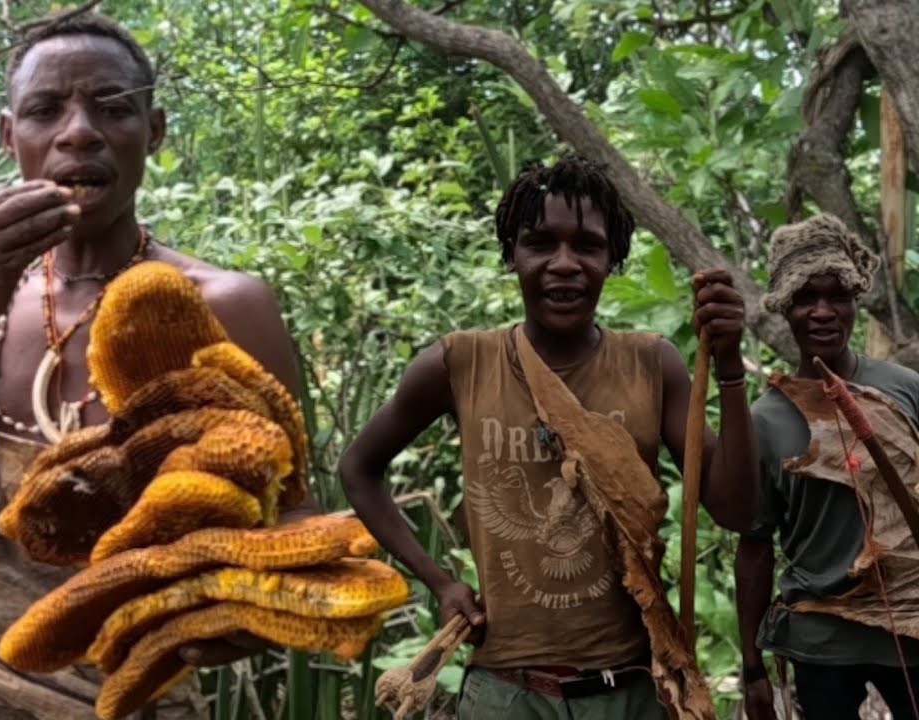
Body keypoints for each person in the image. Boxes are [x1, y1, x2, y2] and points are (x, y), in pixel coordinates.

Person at [0, 10, 311, 720]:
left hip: (136, 703)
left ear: (153, 131)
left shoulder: (224, 308)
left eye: (112, 108)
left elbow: (292, 521)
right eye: (45, 110)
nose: (78, 132)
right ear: (12, 137)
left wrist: (239, 612)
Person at [339, 156, 757, 719]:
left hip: (629, 692)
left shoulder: (651, 364)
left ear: (614, 258)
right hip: (506, 692)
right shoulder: (461, 362)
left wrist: (730, 368)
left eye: (587, 245)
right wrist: (440, 582)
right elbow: (358, 469)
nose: (565, 264)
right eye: (540, 243)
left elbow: (734, 508)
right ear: (512, 256)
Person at [736, 213, 919, 720]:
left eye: (837, 294)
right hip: (820, 639)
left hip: (910, 628)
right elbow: (755, 546)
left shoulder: (904, 389)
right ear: (783, 308)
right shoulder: (766, 420)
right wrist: (752, 665)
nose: (822, 312)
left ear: (856, 299)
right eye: (804, 298)